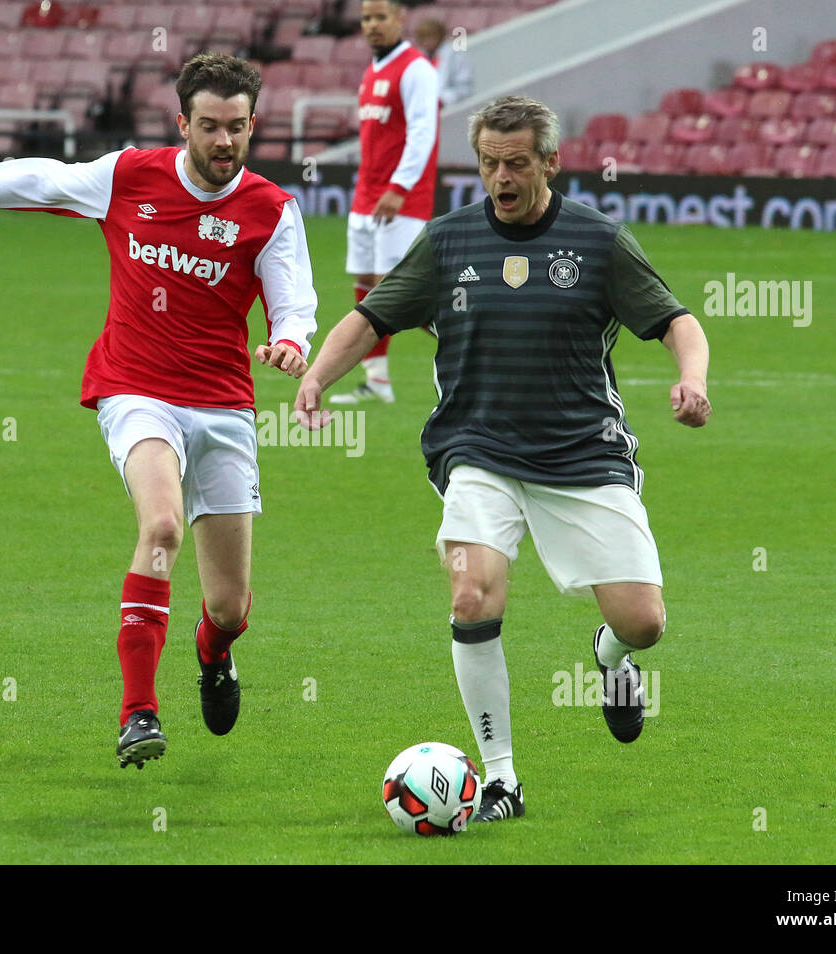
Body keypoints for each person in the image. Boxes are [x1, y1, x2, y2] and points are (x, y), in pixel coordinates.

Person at [0, 54, 317, 769]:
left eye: (237, 128)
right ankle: (138, 712)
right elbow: (39, 177)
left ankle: (213, 654)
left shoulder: (271, 209)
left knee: (229, 607)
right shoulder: (130, 176)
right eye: (210, 127)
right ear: (182, 123)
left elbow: (292, 301)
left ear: (253, 124)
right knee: (159, 525)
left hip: (223, 404)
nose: (224, 142)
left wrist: (289, 341)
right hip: (136, 389)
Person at [295, 96, 711, 822]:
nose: (501, 177)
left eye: (516, 163)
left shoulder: (598, 241)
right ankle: (501, 780)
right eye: (489, 163)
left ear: (551, 161)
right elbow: (371, 318)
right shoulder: (448, 242)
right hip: (477, 451)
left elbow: (678, 322)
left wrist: (692, 378)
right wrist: (315, 378)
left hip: (583, 456)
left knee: (644, 622)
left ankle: (611, 661)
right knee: (470, 597)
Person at [331, 0, 439, 405]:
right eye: (366, 18)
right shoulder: (372, 69)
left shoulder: (416, 69)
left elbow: (423, 133)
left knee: (401, 292)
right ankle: (376, 381)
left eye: (380, 17)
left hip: (399, 200)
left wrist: (400, 186)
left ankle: (480, 349)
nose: (372, 25)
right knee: (365, 283)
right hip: (366, 197)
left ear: (400, 19)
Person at [414, 18, 474, 108]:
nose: (425, 42)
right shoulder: (418, 59)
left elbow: (464, 89)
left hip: (452, 109)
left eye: (429, 37)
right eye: (422, 38)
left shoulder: (455, 56)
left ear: (440, 36)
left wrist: (442, 100)